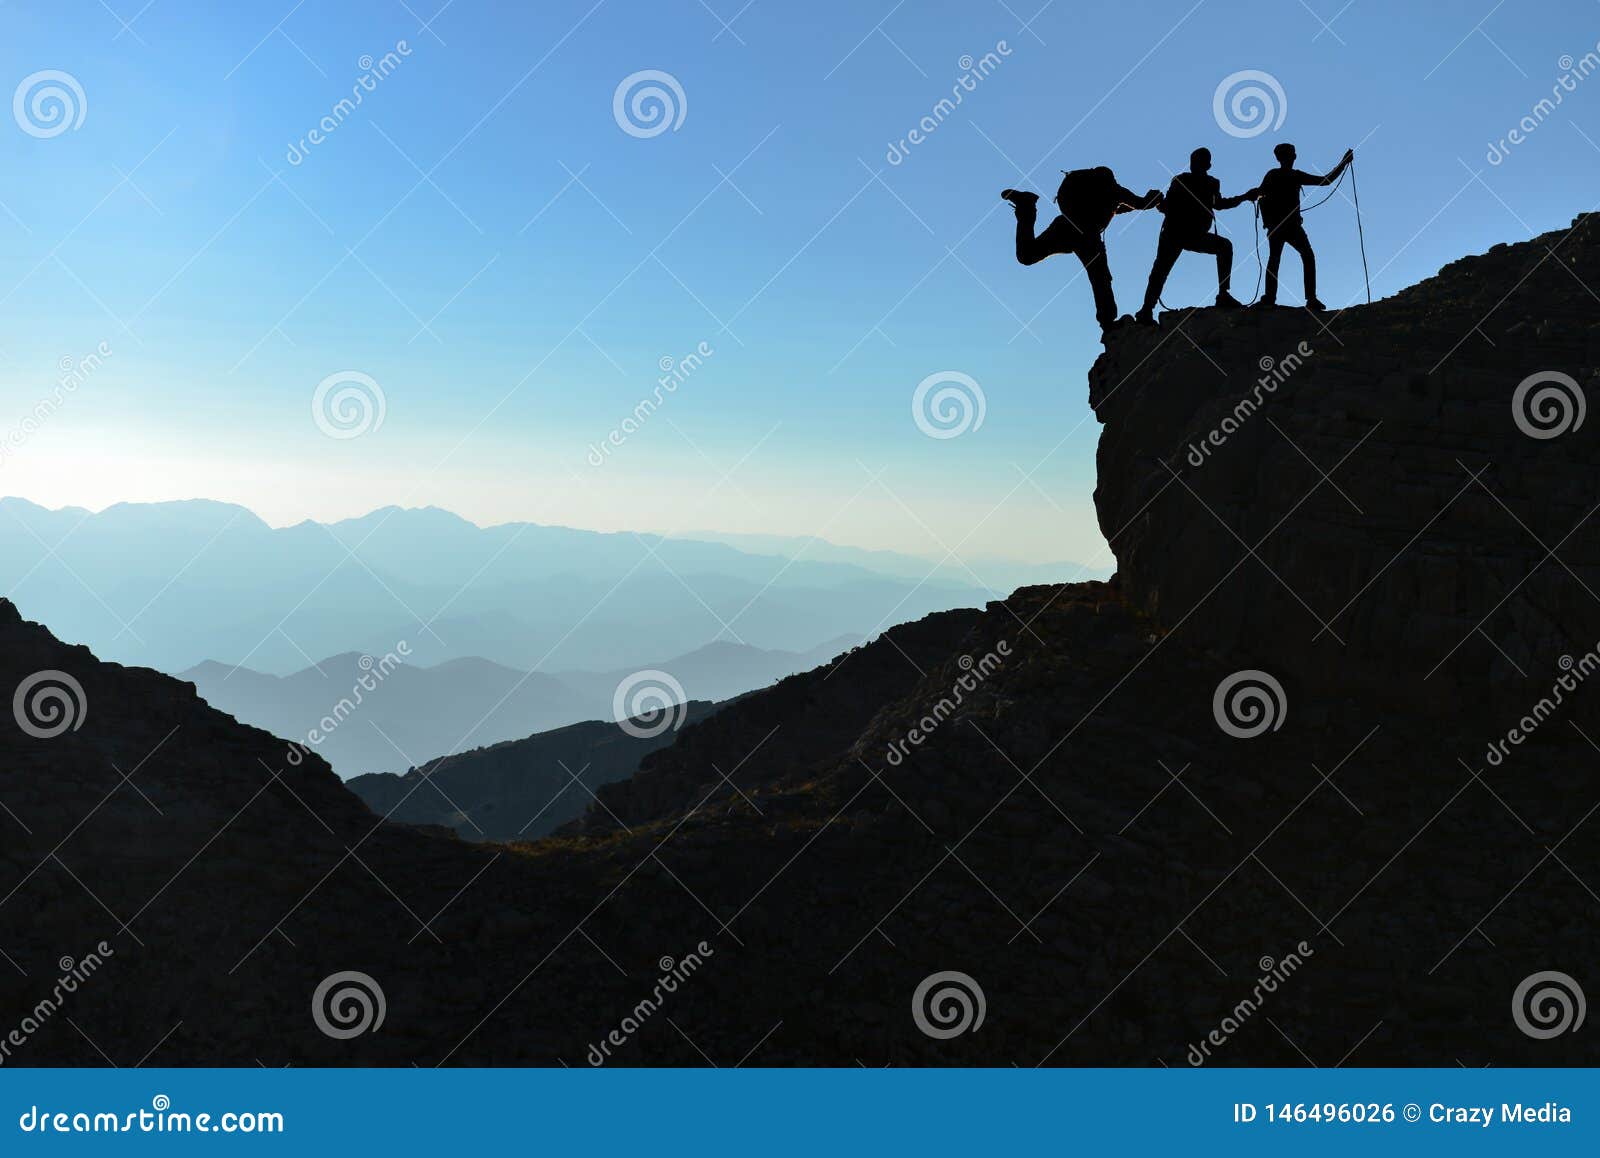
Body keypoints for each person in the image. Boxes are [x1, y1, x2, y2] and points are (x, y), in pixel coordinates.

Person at [1003, 167, 1163, 333]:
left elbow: (1113, 208)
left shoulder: (1095, 193)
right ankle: (1108, 322)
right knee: (1100, 277)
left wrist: (1120, 206)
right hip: (1087, 237)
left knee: (1026, 255)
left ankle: (1026, 207)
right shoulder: (1114, 190)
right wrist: (1156, 197)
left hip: (1064, 226)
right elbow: (1142, 204)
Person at [1134, 148, 1254, 324]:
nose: (1194, 164)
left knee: (1162, 269)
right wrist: (1159, 202)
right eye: (1194, 161)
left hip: (1189, 234)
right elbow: (1170, 206)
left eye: (1197, 161)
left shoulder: (1205, 182)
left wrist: (1244, 197)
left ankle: (1223, 294)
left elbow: (1218, 204)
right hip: (1175, 233)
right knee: (1160, 270)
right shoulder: (1184, 180)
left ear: (1206, 164)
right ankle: (1146, 309)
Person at [1253, 143, 1353, 310]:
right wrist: (1343, 164)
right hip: (1290, 226)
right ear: (1293, 156)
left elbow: (1260, 194)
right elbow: (1325, 181)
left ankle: (1271, 297)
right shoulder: (1294, 175)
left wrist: (1342, 163)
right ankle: (1310, 298)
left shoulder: (1273, 175)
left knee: (1276, 259)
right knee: (1306, 256)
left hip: (1277, 226)